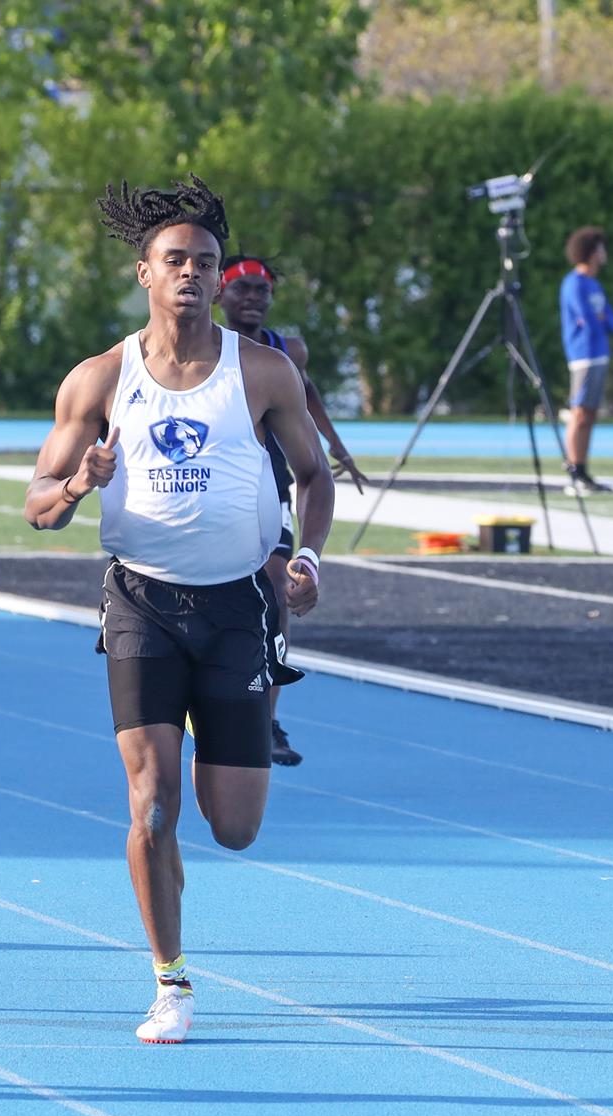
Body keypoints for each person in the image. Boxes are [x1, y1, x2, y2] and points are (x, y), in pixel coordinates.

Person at [23, 178, 334, 1044]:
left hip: (239, 607)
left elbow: (315, 475)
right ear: (145, 274)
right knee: (152, 804)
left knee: (232, 828)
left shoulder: (262, 371)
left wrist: (307, 558)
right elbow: (38, 503)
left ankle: (193, 790)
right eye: (175, 261)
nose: (191, 273)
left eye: (204, 261)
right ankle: (171, 980)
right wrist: (78, 484)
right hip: (141, 604)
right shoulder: (100, 378)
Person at [215, 255, 368, 766]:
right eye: (242, 289)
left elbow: (308, 393)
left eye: (261, 290)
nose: (253, 298)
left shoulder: (288, 351)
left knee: (279, 593)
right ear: (219, 293)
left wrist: (335, 445)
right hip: (214, 490)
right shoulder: (205, 348)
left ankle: (267, 719)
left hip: (272, 487)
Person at [560, 225, 613, 495]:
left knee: (591, 414)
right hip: (583, 354)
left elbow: (612, 321)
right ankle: (573, 470)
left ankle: (583, 469)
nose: (604, 253)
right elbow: (588, 320)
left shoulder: (595, 284)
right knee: (580, 413)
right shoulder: (574, 283)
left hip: (600, 353)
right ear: (590, 252)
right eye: (600, 248)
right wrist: (600, 321)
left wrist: (602, 320)